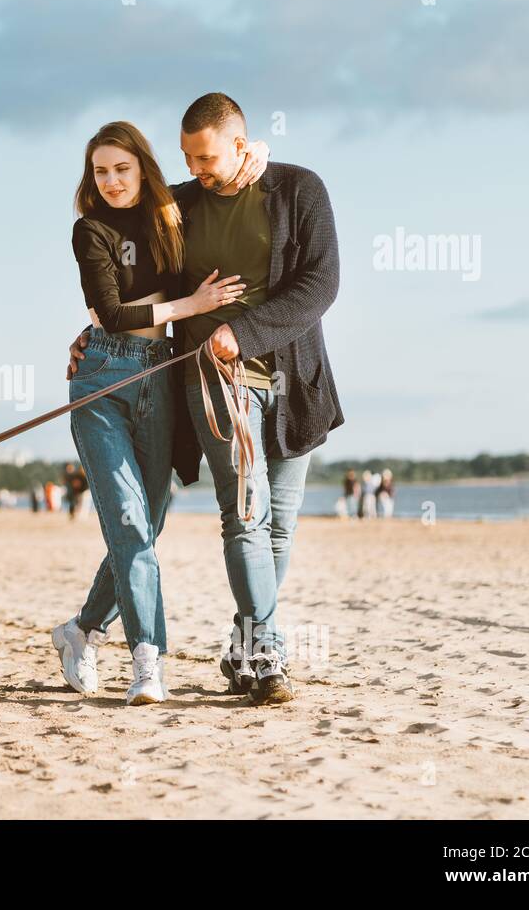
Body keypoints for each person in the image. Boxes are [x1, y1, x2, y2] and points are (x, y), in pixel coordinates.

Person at [67, 93, 343, 706]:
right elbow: (136, 281)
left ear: (243, 145)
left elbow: (321, 284)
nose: (196, 170)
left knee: (280, 528)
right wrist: (97, 331)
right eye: (187, 158)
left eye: (207, 157)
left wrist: (242, 331)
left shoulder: (299, 190)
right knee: (245, 512)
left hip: (295, 384)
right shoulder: (181, 206)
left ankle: (246, 647)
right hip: (215, 383)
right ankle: (268, 652)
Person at [51, 119, 267, 706]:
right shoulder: (89, 229)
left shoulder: (172, 213)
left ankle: (80, 631)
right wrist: (189, 305)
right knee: (126, 521)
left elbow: (224, 172)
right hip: (101, 376)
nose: (113, 181)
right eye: (101, 171)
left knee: (148, 527)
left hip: (162, 376)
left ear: (143, 168)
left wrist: (261, 151)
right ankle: (149, 664)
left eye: (123, 168)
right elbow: (113, 315)